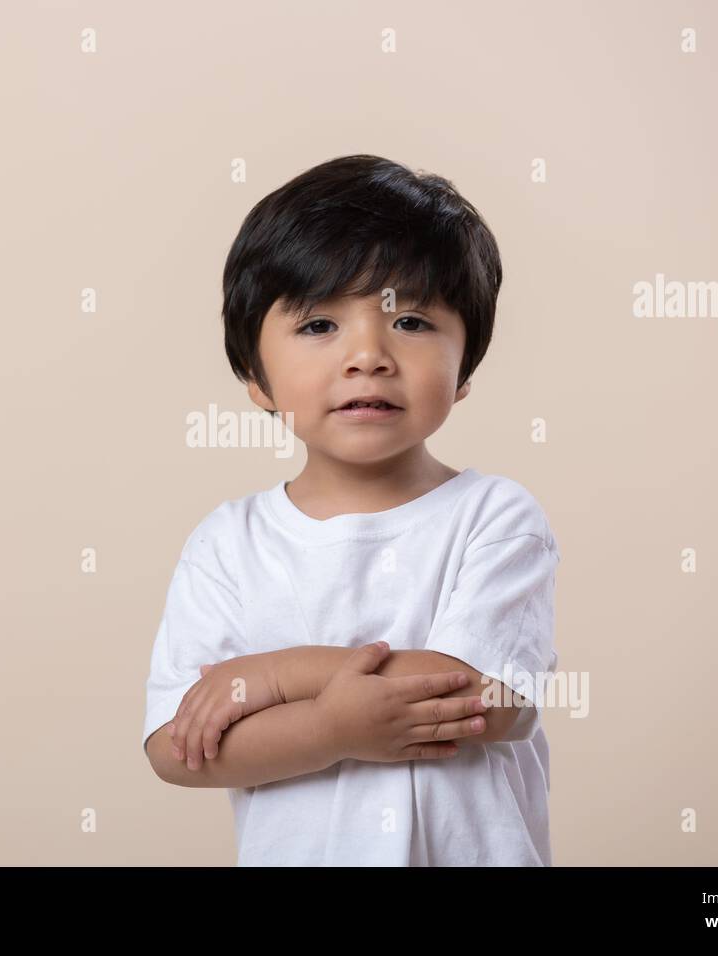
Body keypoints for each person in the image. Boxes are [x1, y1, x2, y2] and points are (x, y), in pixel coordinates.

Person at [141, 155, 562, 866]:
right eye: (319, 326)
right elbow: (178, 746)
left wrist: (275, 678)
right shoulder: (228, 546)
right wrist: (328, 731)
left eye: (410, 320)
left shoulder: (495, 516)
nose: (368, 355)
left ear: (465, 370)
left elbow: (493, 700)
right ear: (256, 377)